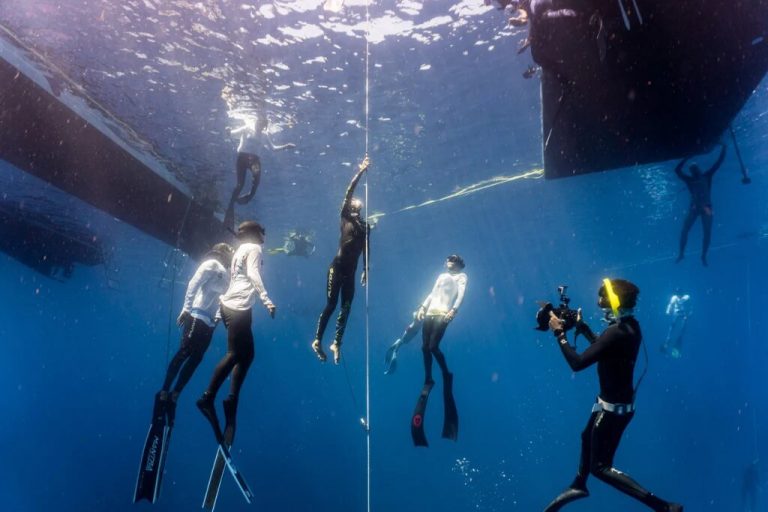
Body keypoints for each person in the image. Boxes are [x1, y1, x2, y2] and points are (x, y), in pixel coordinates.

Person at [544, 278, 682, 512]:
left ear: (615, 302)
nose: (600, 303)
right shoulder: (629, 326)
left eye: (603, 299)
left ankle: (664, 507)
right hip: (615, 406)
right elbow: (605, 348)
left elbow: (578, 363)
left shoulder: (617, 331)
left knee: (600, 467)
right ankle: (579, 484)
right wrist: (584, 328)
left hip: (612, 411)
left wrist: (560, 334)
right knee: (586, 436)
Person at [197, 221, 276, 444]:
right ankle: (208, 398)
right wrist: (266, 299)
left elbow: (237, 278)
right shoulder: (253, 249)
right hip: (238, 308)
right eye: (261, 232)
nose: (263, 236)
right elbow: (253, 275)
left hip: (233, 307)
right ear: (254, 233)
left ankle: (231, 400)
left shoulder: (241, 249)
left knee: (247, 354)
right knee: (234, 354)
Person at [156, 243, 234, 422]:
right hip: (196, 315)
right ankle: (164, 391)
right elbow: (194, 283)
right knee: (185, 352)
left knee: (197, 357)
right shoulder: (212, 264)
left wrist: (216, 319)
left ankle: (175, 394)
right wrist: (186, 308)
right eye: (230, 251)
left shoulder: (228, 276)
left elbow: (224, 299)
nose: (232, 253)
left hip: (208, 323)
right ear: (223, 251)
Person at [311, 156, 370, 365]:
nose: (355, 201)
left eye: (357, 203)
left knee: (346, 307)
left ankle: (336, 342)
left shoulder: (365, 226)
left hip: (351, 272)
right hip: (336, 268)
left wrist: (366, 269)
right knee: (331, 305)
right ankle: (317, 340)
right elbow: (349, 191)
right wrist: (361, 170)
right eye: (353, 201)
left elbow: (366, 248)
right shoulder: (345, 216)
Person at [411, 255, 467, 446]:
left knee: (434, 346)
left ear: (459, 264)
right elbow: (432, 293)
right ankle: (429, 377)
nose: (449, 261)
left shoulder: (462, 277)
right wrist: (421, 307)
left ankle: (444, 371)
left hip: (443, 313)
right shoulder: (441, 275)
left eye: (453, 259)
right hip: (430, 312)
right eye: (448, 258)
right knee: (424, 347)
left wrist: (454, 311)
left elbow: (461, 295)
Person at [223, 116, 295, 232]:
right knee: (240, 184)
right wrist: (228, 131)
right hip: (242, 158)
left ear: (264, 126)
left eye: (262, 125)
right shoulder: (246, 128)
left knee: (256, 183)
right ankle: (231, 207)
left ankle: (247, 198)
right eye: (259, 123)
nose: (259, 126)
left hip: (254, 161)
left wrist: (286, 146)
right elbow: (232, 134)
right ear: (256, 122)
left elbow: (273, 148)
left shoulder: (264, 135)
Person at [674, 143, 726, 266]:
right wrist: (687, 157)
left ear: (698, 169)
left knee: (705, 232)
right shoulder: (693, 178)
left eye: (695, 168)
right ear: (692, 172)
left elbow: (718, 163)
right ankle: (682, 254)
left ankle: (703, 256)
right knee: (686, 230)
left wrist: (724, 149)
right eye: (693, 170)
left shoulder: (705, 176)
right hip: (697, 207)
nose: (695, 171)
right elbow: (677, 170)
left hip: (704, 207)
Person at [661, 291, 690, 358]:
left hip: (683, 313)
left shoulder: (686, 297)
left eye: (680, 295)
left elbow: (690, 304)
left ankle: (679, 337)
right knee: (673, 324)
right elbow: (670, 304)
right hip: (676, 312)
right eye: (678, 295)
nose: (679, 297)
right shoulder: (674, 298)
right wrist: (668, 311)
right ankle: (669, 337)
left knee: (683, 324)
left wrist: (689, 313)